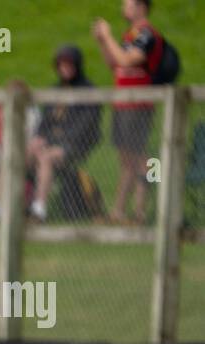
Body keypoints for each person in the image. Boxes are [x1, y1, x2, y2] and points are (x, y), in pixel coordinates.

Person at [93, 0, 161, 224]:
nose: (124, 7)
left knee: (139, 158)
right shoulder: (129, 35)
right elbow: (115, 64)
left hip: (138, 105)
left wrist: (108, 35)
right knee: (126, 161)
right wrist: (103, 42)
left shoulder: (146, 34)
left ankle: (141, 211)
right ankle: (119, 212)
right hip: (122, 104)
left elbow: (128, 59)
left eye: (128, 4)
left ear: (141, 7)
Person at [28, 46, 101, 221]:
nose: (65, 69)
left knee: (46, 158)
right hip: (51, 142)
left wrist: (56, 144)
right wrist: (38, 139)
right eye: (61, 65)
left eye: (69, 65)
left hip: (74, 146)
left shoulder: (88, 91)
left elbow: (84, 128)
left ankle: (39, 210)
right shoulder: (56, 89)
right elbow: (45, 122)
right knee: (20, 153)